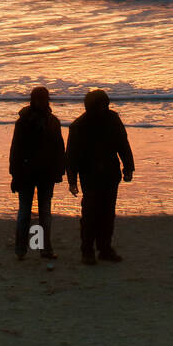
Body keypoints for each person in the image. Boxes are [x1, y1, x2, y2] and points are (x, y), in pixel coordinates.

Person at [65, 88, 134, 264]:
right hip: (89, 176)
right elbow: (71, 156)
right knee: (89, 215)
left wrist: (128, 167)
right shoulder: (78, 126)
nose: (103, 109)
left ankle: (105, 248)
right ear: (90, 107)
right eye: (99, 106)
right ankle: (87, 251)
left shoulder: (113, 119)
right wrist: (72, 181)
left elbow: (123, 144)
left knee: (108, 214)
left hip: (111, 174)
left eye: (105, 105)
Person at [8, 86, 66, 260]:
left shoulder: (51, 121)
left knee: (43, 212)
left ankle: (40, 248)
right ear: (33, 100)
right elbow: (16, 150)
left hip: (45, 173)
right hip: (27, 173)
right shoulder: (25, 121)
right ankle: (23, 249)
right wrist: (14, 174)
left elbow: (59, 148)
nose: (42, 102)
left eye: (44, 99)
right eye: (39, 99)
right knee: (26, 212)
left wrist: (60, 169)